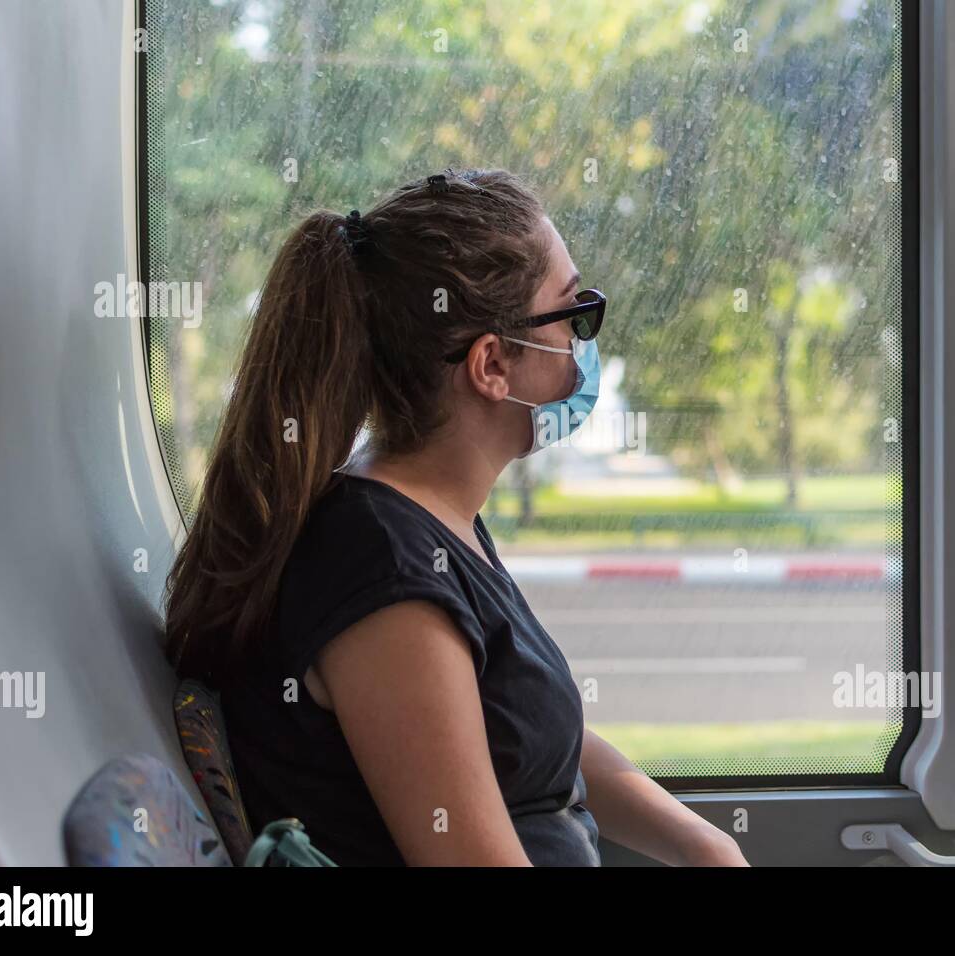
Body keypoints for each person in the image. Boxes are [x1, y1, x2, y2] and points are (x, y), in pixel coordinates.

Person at [164, 167, 749, 867]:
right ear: (492, 365)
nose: (585, 339)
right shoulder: (382, 571)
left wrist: (703, 844)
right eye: (574, 313)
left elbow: (518, 736)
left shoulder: (435, 524)